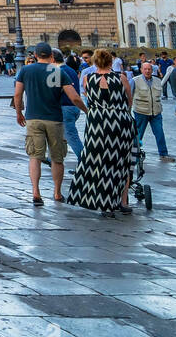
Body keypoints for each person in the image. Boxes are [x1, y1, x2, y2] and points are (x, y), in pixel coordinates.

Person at [67, 49, 137, 217]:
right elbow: (129, 100)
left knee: (100, 161)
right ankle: (123, 201)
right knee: (122, 160)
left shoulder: (87, 79)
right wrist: (120, 111)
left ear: (94, 62)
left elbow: (86, 98)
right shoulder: (121, 78)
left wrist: (95, 110)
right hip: (120, 121)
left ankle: (105, 203)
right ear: (111, 62)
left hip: (97, 123)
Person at [13, 42, 85, 205]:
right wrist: (87, 110)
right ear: (51, 56)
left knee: (35, 157)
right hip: (54, 119)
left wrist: (19, 113)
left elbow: (17, 95)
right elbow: (74, 97)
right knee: (57, 158)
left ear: (36, 55)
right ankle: (57, 193)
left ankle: (36, 193)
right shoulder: (57, 72)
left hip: (33, 118)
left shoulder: (25, 70)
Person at [130, 62, 172, 162]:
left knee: (160, 133)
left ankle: (163, 154)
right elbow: (129, 96)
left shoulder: (157, 80)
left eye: (149, 69)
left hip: (156, 112)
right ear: (141, 70)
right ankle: (134, 156)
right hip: (140, 112)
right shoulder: (134, 81)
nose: (147, 71)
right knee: (138, 135)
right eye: (145, 69)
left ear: (152, 70)